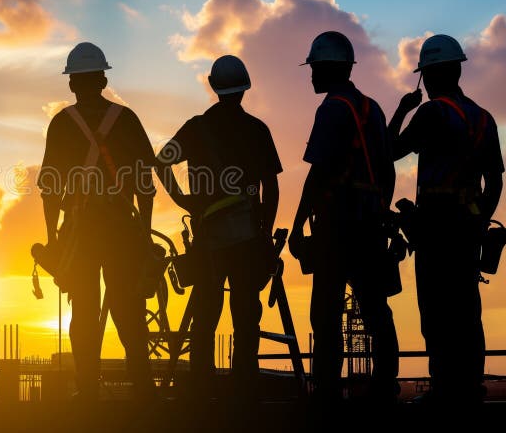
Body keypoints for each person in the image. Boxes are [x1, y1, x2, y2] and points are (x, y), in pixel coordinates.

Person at [156, 55, 282, 406]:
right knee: (245, 315)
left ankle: (200, 390)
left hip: (208, 239)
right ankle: (244, 388)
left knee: (205, 314)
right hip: (247, 238)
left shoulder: (197, 128)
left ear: (213, 86)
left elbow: (161, 160)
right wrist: (265, 233)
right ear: (245, 88)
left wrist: (184, 201)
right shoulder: (257, 129)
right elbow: (271, 189)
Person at [37, 42, 156, 401]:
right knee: (129, 311)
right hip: (122, 231)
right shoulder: (127, 120)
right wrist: (145, 235)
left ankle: (87, 390)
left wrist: (53, 241)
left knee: (85, 313)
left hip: (80, 233)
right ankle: (144, 390)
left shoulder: (61, 124)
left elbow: (49, 192)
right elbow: (146, 184)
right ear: (103, 79)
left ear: (72, 83)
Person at [388, 34, 503, 405]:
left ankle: (443, 388)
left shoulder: (432, 112)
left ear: (431, 75)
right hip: (468, 229)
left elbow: (389, 150)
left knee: (436, 309)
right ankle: (471, 387)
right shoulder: (484, 118)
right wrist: (481, 219)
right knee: (468, 310)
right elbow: (496, 179)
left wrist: (403, 109)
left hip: (436, 228)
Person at [289, 31, 399, 405]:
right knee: (376, 309)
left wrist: (298, 222)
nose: (311, 76)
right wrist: (381, 209)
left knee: (326, 310)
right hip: (369, 225)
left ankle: (327, 390)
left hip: (337, 226)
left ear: (328, 67)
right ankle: (385, 386)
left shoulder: (332, 108)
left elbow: (317, 173)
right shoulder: (374, 108)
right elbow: (388, 170)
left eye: (314, 68)